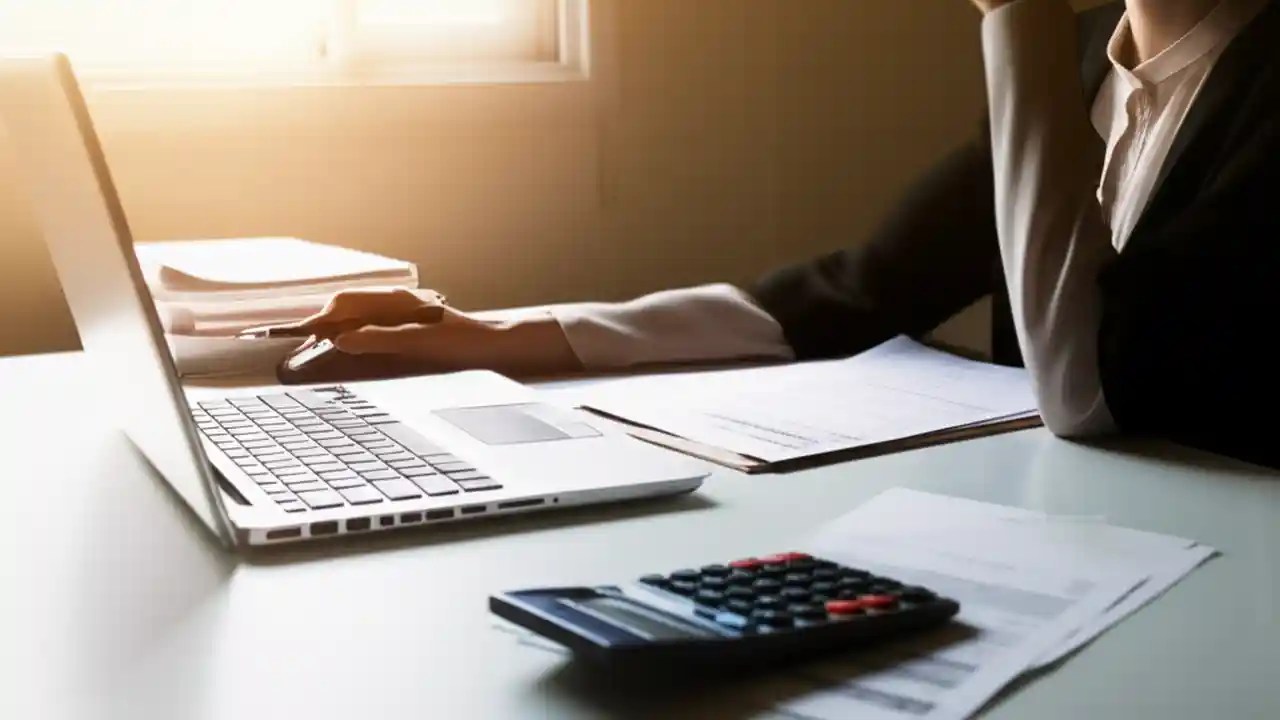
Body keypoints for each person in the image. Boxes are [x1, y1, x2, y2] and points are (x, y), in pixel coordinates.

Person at [278, 0, 1279, 468]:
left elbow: (1087, 391)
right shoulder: (1073, 62)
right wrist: (503, 336)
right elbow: (857, 289)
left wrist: (1012, 18)